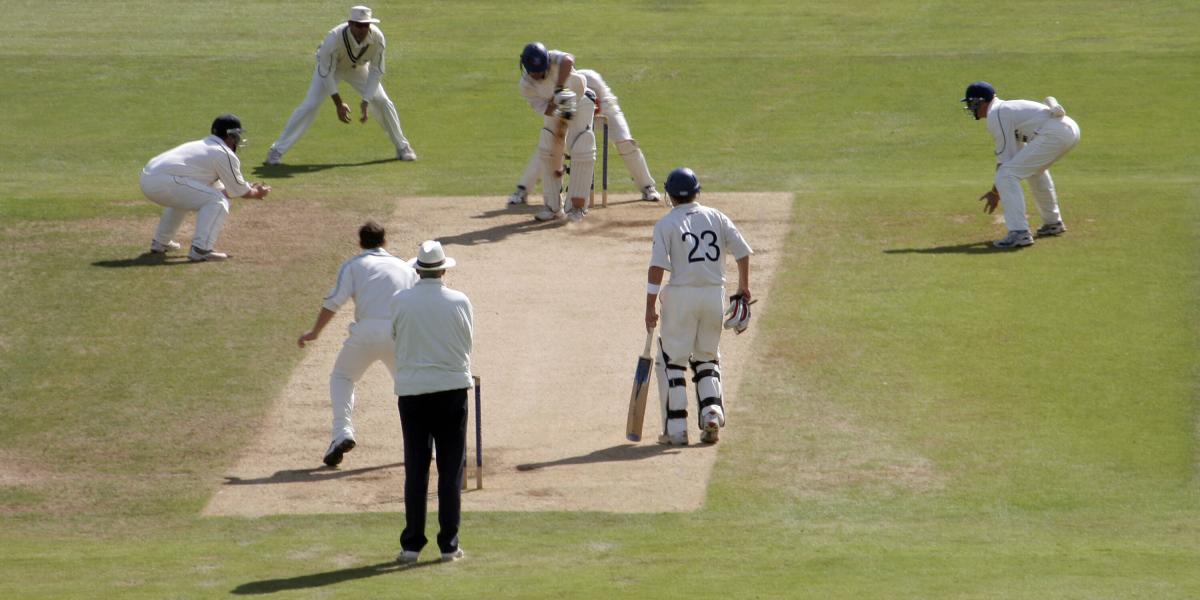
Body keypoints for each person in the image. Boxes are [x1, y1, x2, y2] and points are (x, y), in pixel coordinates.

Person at [644, 168, 752, 446]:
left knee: (672, 361)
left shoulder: (666, 224)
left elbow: (657, 268)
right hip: (714, 296)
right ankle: (712, 413)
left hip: (680, 296)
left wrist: (649, 307)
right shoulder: (716, 216)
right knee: (707, 358)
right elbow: (742, 251)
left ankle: (677, 430)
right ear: (697, 191)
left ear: (669, 195)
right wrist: (743, 287)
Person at [297, 221, 417, 467]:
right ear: (385, 241)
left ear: (360, 242)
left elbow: (333, 302)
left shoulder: (353, 266)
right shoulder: (405, 268)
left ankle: (342, 432)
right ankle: (426, 445)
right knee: (410, 389)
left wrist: (315, 332)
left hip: (365, 332)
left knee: (342, 377)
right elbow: (417, 303)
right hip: (399, 334)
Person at [391, 240, 474, 564]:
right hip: (451, 389)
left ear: (418, 270)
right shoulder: (459, 301)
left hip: (413, 392)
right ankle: (448, 545)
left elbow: (395, 337)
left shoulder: (401, 301)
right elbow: (467, 343)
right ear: (442, 269)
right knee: (450, 469)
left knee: (416, 467)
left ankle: (412, 544)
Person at [265, 6, 417, 165]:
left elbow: (376, 70)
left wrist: (366, 100)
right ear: (350, 24)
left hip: (358, 69)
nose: (362, 29)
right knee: (310, 105)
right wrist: (339, 103)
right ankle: (276, 150)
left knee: (383, 102)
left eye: (366, 25)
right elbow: (326, 74)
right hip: (332, 69)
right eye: (358, 25)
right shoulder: (334, 39)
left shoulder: (378, 38)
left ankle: (402, 147)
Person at [507, 66, 662, 206]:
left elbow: (603, 103)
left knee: (626, 143)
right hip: (577, 118)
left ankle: (647, 187)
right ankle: (522, 190)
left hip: (607, 112)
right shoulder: (561, 89)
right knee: (548, 148)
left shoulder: (591, 77)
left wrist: (588, 110)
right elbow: (560, 114)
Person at [962, 81, 1081, 248]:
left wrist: (995, 192)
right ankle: (1053, 223)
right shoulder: (1004, 110)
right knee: (1034, 172)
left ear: (978, 102)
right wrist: (996, 191)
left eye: (970, 103)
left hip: (1055, 134)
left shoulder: (996, 114)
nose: (970, 107)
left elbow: (1005, 162)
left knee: (1006, 175)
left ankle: (1019, 233)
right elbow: (1017, 155)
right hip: (1069, 130)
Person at [139, 114, 271, 262]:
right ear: (231, 136)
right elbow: (240, 192)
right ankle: (201, 250)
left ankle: (160, 242)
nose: (237, 140)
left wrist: (245, 188)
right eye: (237, 136)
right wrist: (257, 192)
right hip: (166, 181)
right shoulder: (224, 153)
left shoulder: (202, 146)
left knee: (187, 198)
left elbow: (221, 189)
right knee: (217, 202)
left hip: (148, 178)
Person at [515, 42, 597, 223]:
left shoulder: (553, 57)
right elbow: (544, 109)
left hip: (581, 100)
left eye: (540, 70)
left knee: (582, 148)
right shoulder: (526, 85)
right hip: (554, 107)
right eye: (533, 72)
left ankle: (577, 208)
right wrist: (559, 104)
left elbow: (568, 60)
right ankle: (552, 207)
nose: (537, 74)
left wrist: (560, 89)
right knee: (547, 149)